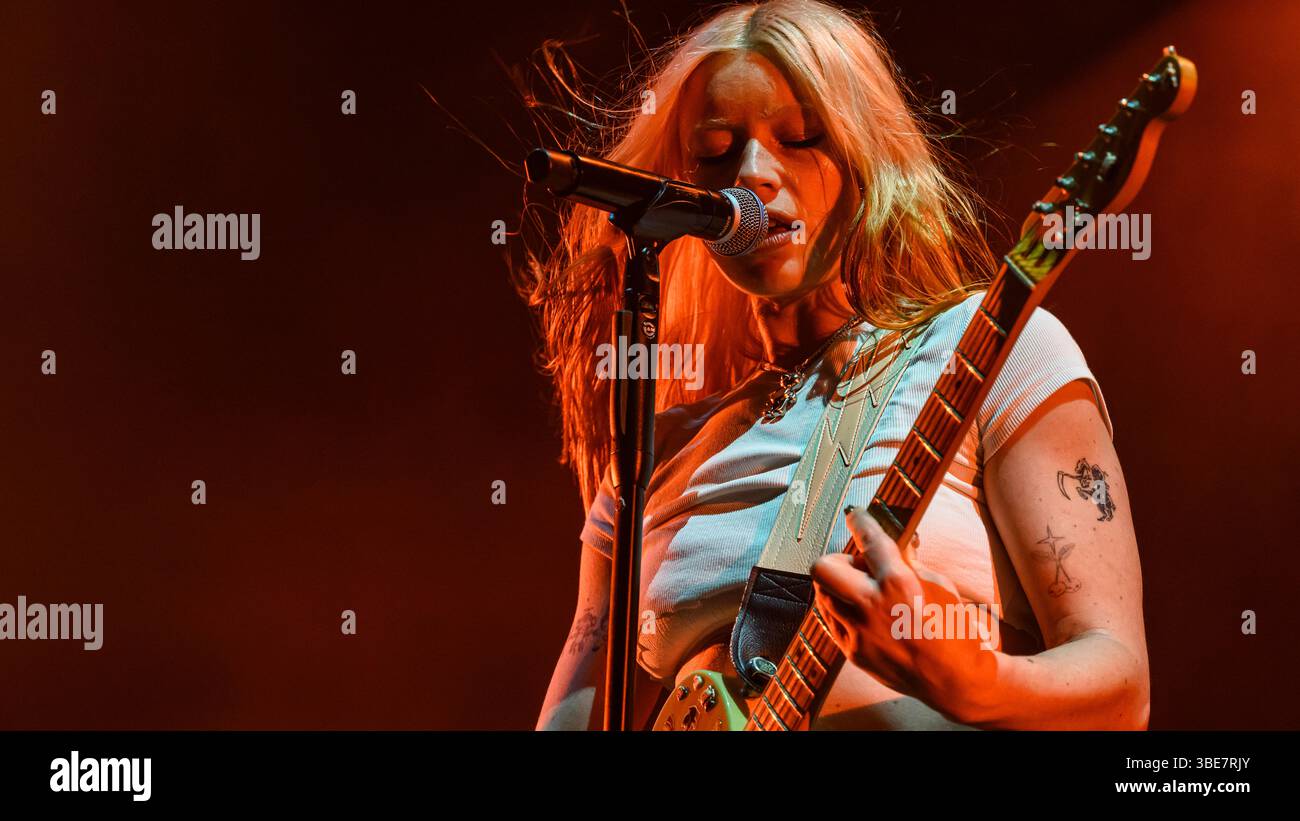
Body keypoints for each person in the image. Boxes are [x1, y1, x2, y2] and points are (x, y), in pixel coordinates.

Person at [522, 0, 1148, 730]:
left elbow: (1119, 683)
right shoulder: (652, 458)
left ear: (866, 152)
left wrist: (975, 681)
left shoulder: (995, 349)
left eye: (801, 138)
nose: (752, 174)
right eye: (716, 151)